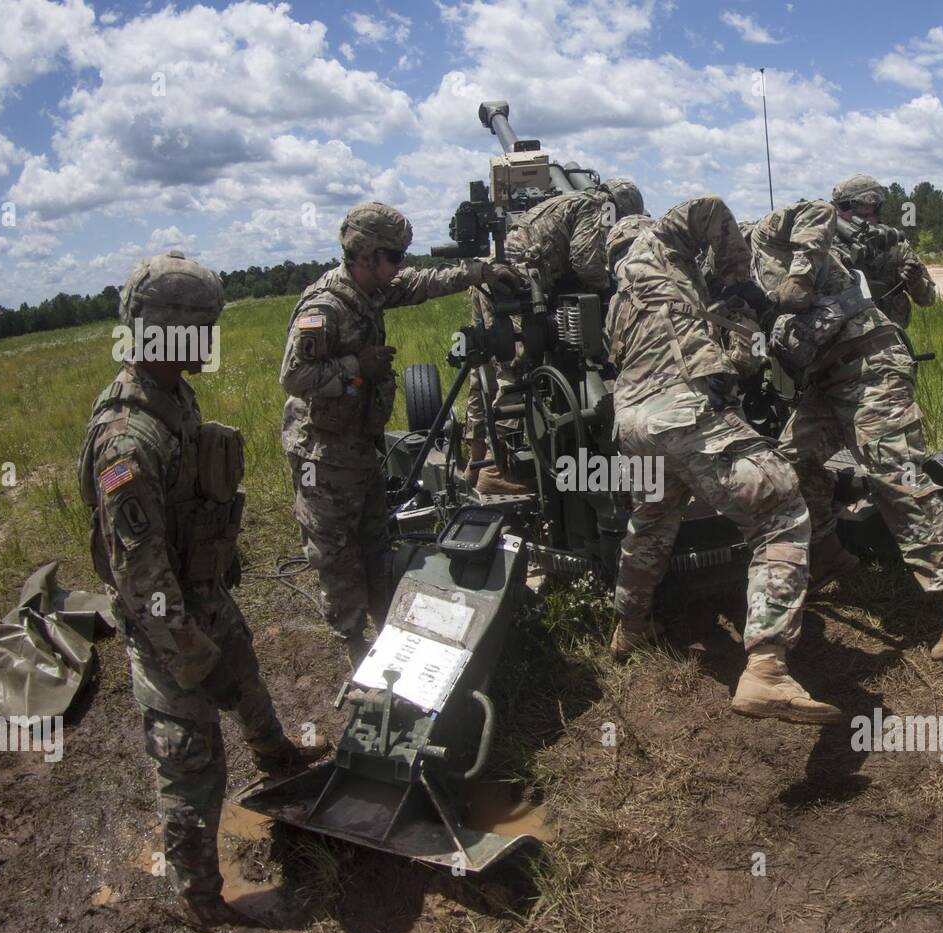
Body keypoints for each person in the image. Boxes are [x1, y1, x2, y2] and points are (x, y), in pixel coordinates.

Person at [79, 251, 325, 931]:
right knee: (191, 762)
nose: (210, 342)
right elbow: (139, 573)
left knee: (247, 683)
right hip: (166, 624)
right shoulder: (127, 438)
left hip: (205, 595)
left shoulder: (171, 395)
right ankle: (199, 896)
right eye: (202, 328)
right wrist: (186, 650)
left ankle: (279, 760)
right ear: (168, 332)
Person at [606, 198, 838, 726]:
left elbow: (725, 359)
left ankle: (629, 627)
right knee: (780, 509)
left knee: (652, 521)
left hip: (634, 427)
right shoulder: (658, 246)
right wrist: (738, 283)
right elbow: (707, 208)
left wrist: (734, 333)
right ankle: (766, 669)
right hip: (684, 412)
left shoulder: (620, 304)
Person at [751, 199, 943, 659]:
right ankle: (829, 556)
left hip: (871, 364)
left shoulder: (763, 234)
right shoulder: (727, 285)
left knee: (895, 475)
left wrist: (798, 280)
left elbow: (816, 211)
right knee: (788, 467)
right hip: (826, 382)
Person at [280, 202, 519, 667]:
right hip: (323, 454)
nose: (401, 266)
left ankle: (388, 630)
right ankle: (354, 650)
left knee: (374, 542)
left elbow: (425, 282)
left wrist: (480, 272)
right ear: (365, 255)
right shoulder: (325, 307)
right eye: (393, 256)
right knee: (336, 556)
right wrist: (356, 368)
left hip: (359, 444)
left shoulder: (372, 291)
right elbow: (294, 377)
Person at [465, 177, 645, 494]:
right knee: (516, 371)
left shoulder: (570, 202)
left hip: (492, 279)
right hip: (514, 286)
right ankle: (498, 470)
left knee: (484, 376)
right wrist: (614, 292)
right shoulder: (592, 206)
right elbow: (587, 264)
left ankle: (475, 459)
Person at [830, 174, 936, 329]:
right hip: (838, 337)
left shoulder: (895, 245)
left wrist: (915, 281)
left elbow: (928, 299)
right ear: (841, 209)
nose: (867, 218)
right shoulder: (825, 243)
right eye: (860, 211)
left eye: (872, 211)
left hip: (887, 336)